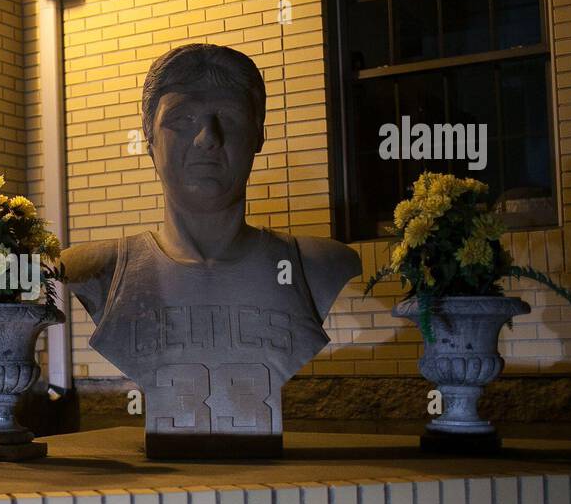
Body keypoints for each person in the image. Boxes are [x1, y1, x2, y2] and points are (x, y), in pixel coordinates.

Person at [62, 44, 360, 458]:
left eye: (229, 118)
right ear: (149, 139)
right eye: (182, 120)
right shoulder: (94, 270)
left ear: (259, 135)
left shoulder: (320, 266)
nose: (207, 138)